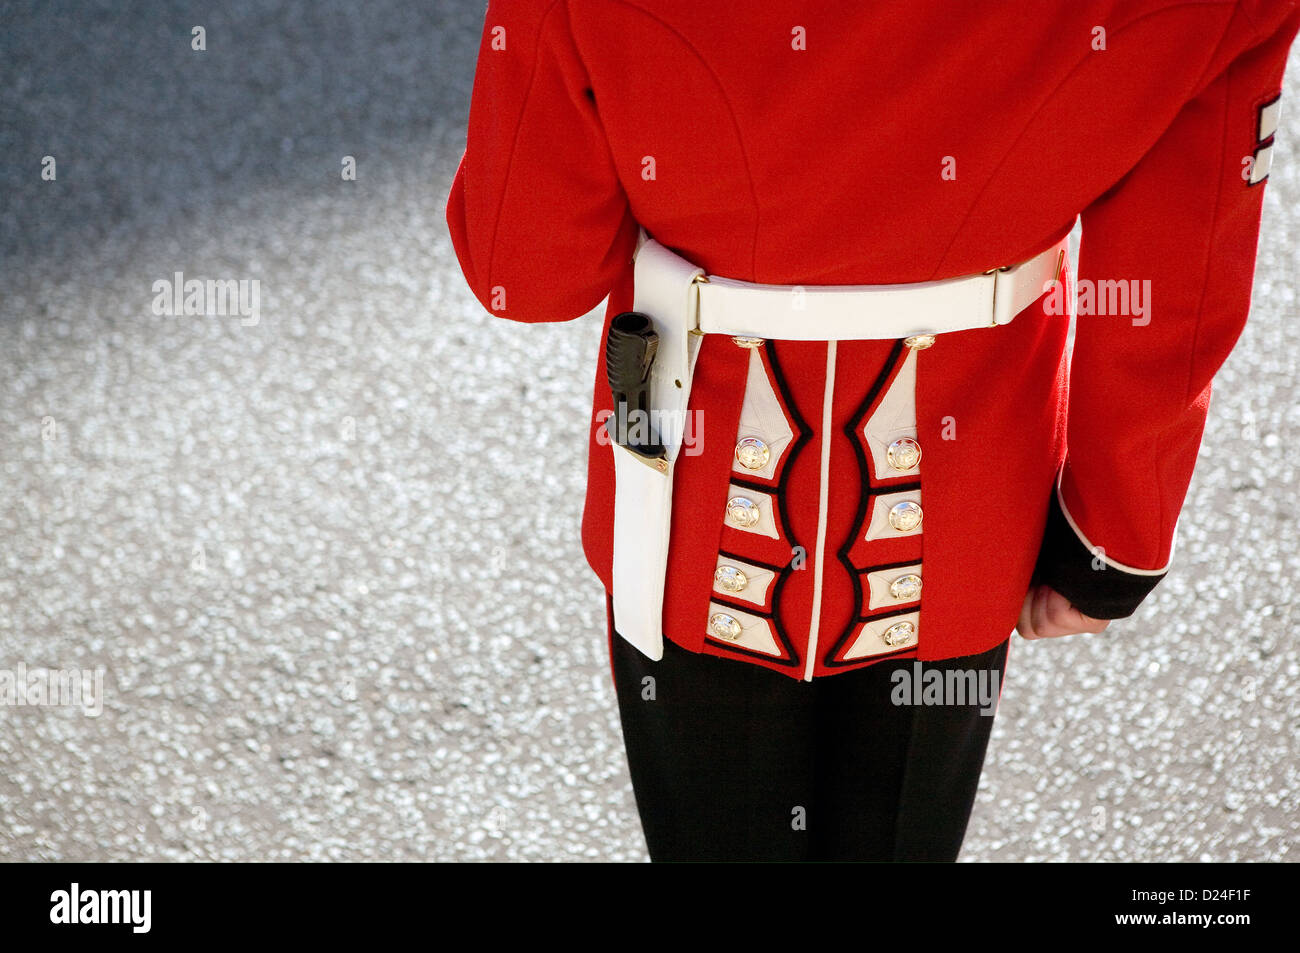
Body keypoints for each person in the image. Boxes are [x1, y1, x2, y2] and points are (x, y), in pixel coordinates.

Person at [446, 1, 1300, 861]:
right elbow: (1178, 276)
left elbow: (526, 271)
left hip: (690, 521)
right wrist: (1113, 530)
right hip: (961, 518)